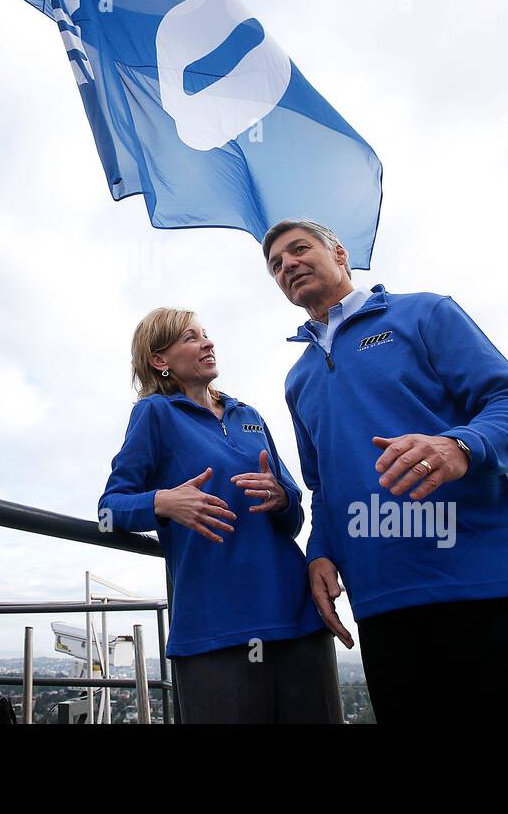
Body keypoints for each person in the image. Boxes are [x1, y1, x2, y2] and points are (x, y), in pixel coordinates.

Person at [263, 218, 508, 724]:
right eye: (275, 265)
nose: (287, 264)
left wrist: (459, 445)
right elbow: (322, 488)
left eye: (299, 249)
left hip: (493, 585)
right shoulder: (298, 377)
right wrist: (322, 553)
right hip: (383, 605)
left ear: (339, 253)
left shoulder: (424, 313)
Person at [98, 307, 341, 723]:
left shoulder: (249, 415)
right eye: (191, 338)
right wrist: (163, 502)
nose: (208, 343)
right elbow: (109, 510)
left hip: (297, 618)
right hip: (214, 629)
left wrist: (282, 498)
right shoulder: (155, 414)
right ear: (160, 360)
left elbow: (294, 516)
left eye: (206, 334)